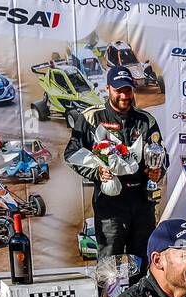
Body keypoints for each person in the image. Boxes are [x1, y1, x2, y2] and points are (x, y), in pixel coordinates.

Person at [66, 66, 165, 283]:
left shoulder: (146, 120)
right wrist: (97, 170)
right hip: (109, 205)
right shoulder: (92, 117)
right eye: (118, 90)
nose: (124, 95)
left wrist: (157, 171)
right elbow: (72, 153)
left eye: (128, 90)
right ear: (108, 88)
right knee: (110, 268)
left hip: (142, 203)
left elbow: (160, 155)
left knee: (143, 264)